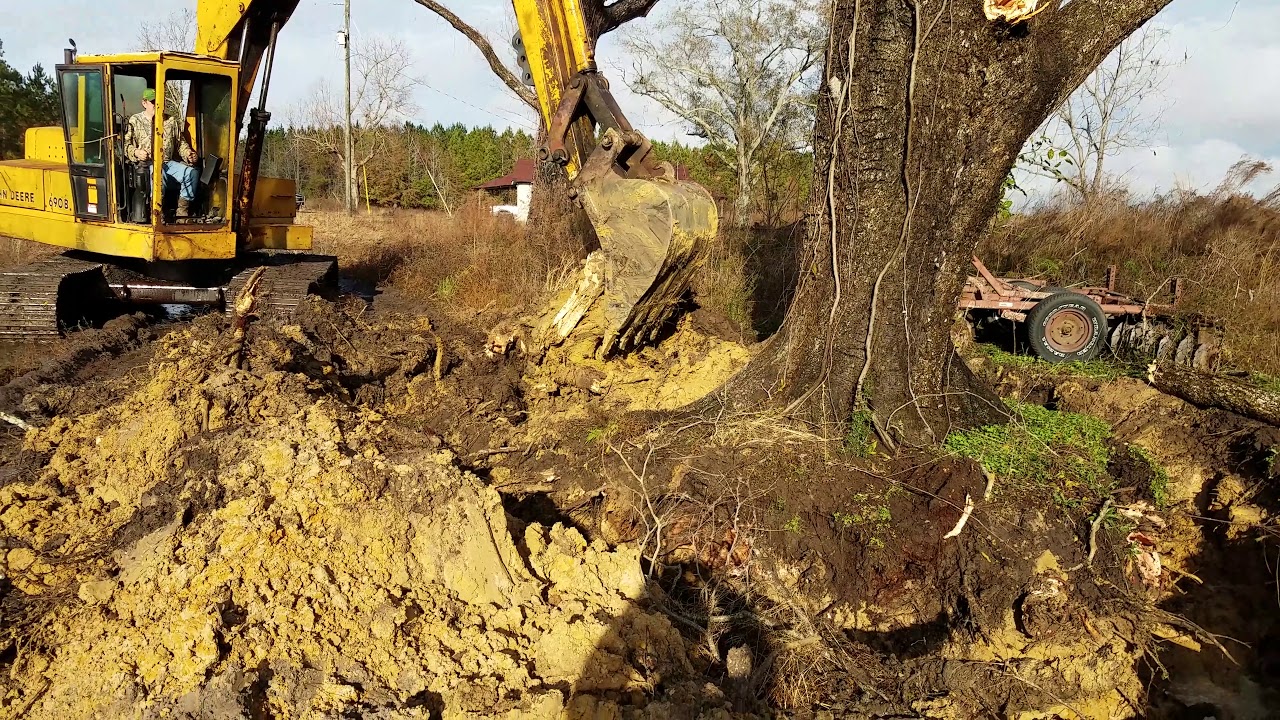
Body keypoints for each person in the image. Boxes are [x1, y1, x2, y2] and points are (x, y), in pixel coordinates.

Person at [123, 87, 199, 218]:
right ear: (144, 103)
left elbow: (180, 143)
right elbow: (125, 146)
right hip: (148, 165)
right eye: (153, 102)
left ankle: (182, 213)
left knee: (192, 173)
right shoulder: (135, 120)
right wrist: (136, 152)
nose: (157, 105)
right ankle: (157, 213)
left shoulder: (171, 121)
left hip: (169, 163)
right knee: (159, 174)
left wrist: (188, 153)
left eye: (159, 101)